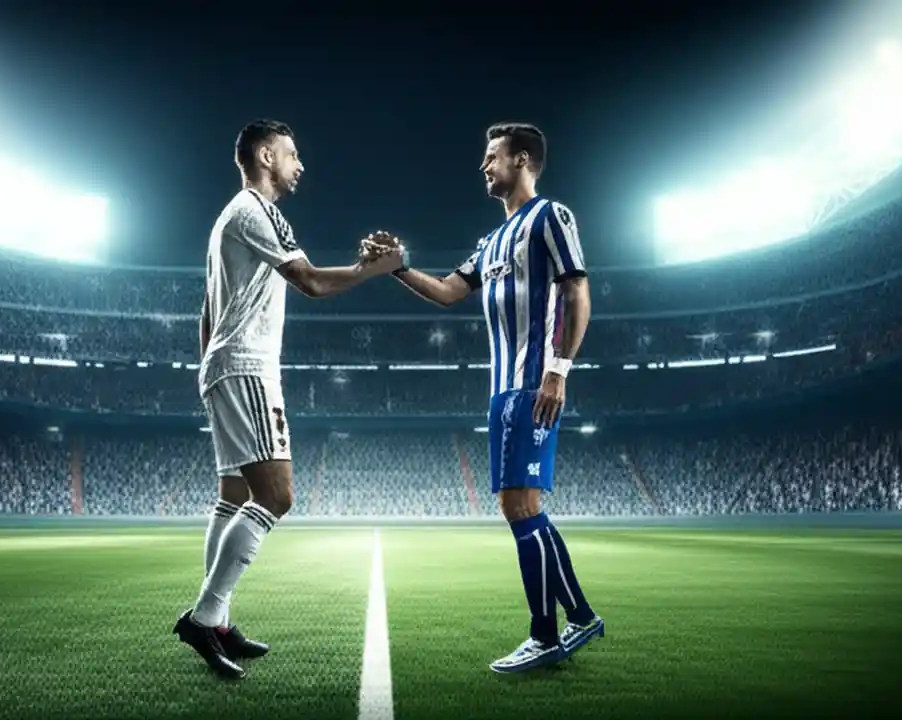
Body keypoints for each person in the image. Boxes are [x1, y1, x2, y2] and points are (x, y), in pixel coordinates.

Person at [364, 122, 603, 673]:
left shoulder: (551, 216)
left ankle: (545, 636)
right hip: (500, 393)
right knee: (522, 507)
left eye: (492, 157)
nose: (483, 166)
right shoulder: (491, 242)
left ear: (522, 160)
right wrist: (397, 268)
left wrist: (558, 369)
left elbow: (577, 289)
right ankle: (582, 616)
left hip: (533, 384)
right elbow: (449, 291)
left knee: (519, 506)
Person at [174, 118, 404, 679]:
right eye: (292, 154)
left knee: (232, 495)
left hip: (224, 365)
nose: (300, 165)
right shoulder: (258, 209)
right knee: (276, 496)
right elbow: (314, 283)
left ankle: (220, 620)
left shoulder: (228, 218)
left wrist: (212, 371)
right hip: (248, 368)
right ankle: (203, 619)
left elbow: (207, 312)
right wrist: (374, 270)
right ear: (263, 155)